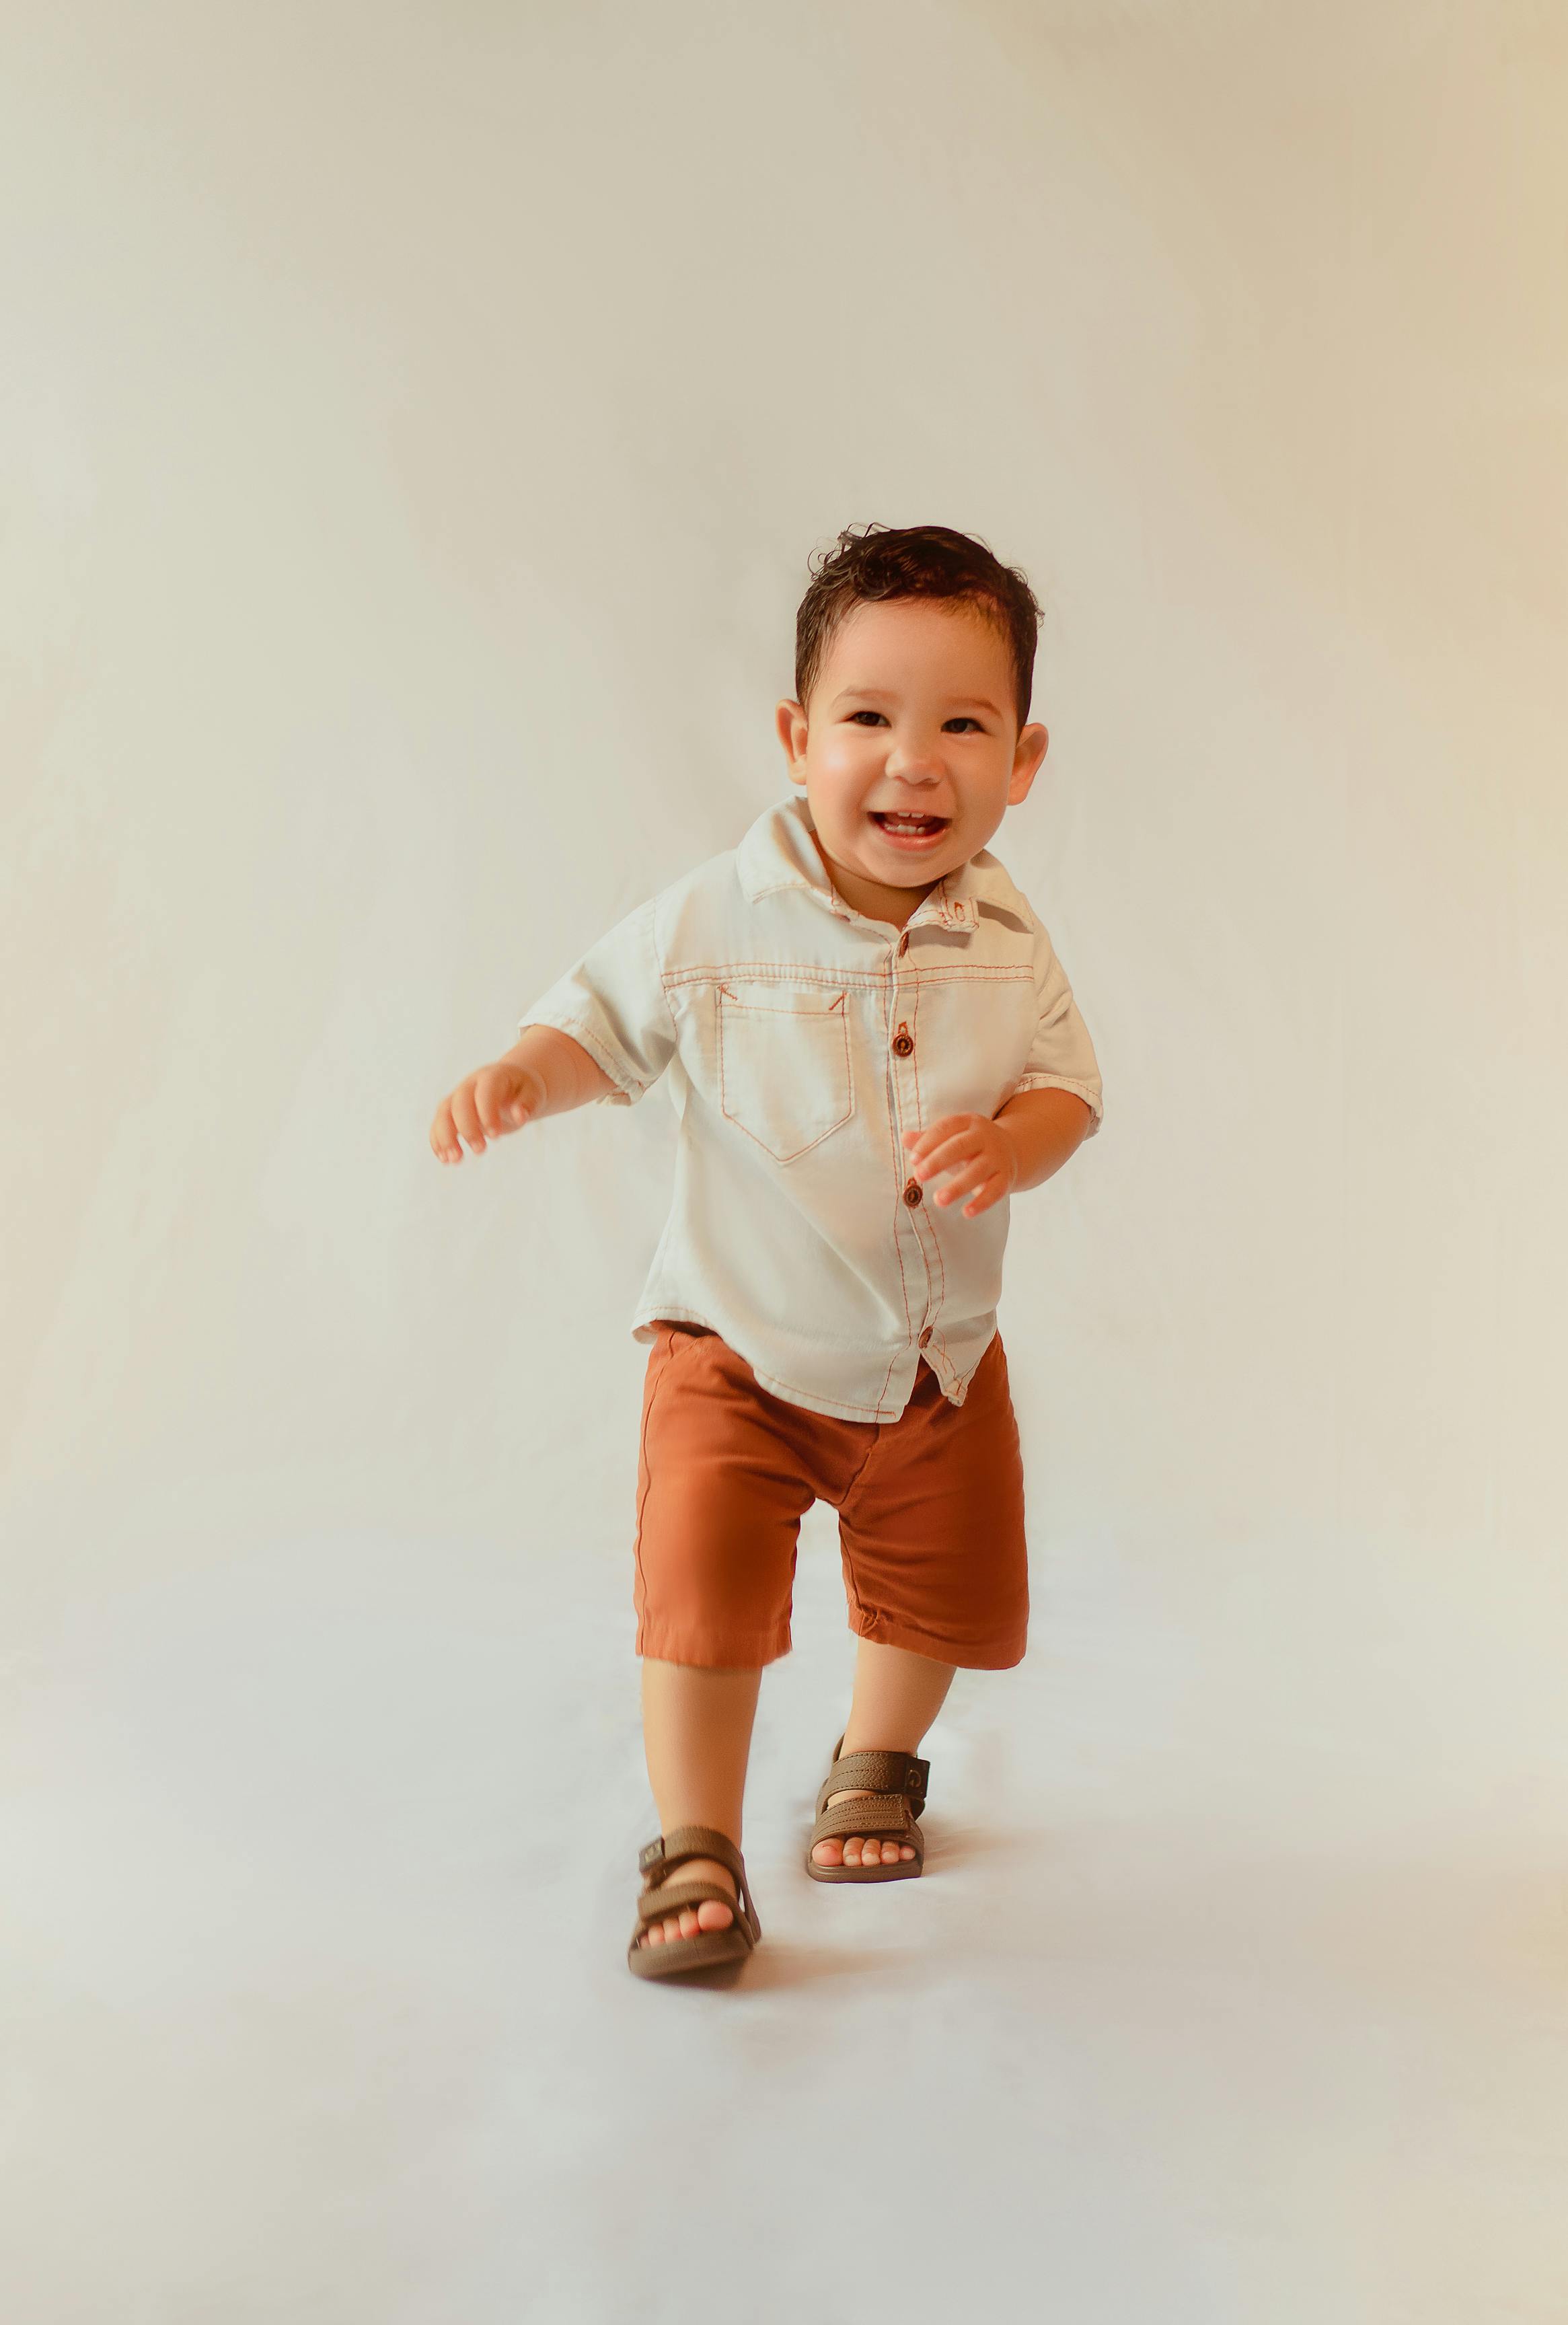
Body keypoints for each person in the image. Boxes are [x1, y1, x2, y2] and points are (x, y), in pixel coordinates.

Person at [428, 522, 1103, 1980]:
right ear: (799, 739)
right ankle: (694, 1846)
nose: (910, 761)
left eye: (959, 725)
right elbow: (601, 1018)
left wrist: (1016, 1144)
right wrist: (521, 1075)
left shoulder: (1009, 935)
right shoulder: (716, 915)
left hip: (930, 1353)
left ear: (1022, 761)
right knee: (702, 1597)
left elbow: (1068, 1090)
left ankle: (875, 1757)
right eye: (867, 719)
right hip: (734, 1343)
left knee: (939, 1589)